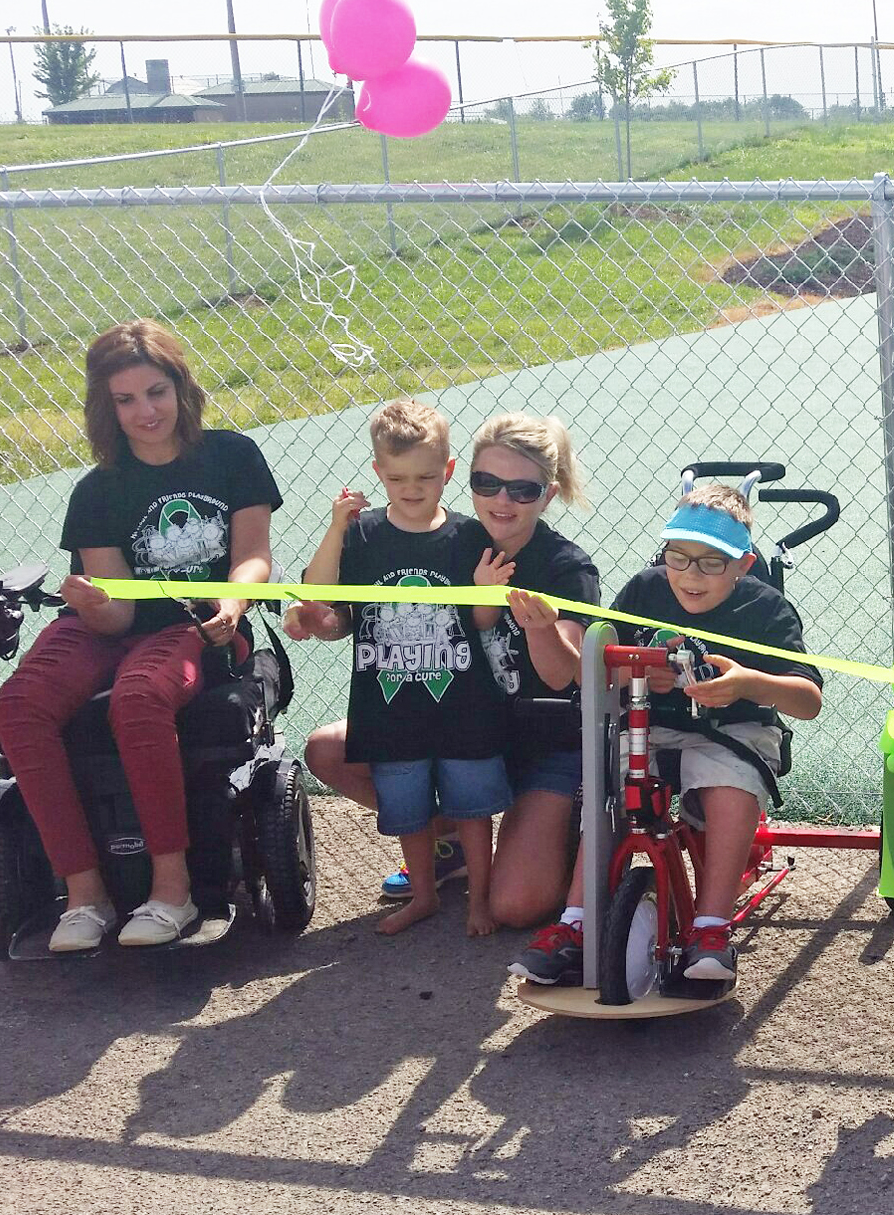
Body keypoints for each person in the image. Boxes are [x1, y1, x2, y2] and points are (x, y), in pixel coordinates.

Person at [0, 320, 280, 952]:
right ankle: (85, 894)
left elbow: (255, 556)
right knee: (18, 706)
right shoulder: (97, 491)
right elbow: (117, 619)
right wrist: (92, 603)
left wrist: (231, 605)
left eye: (156, 392)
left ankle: (172, 892)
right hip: (106, 628)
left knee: (139, 697)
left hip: (194, 621)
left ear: (181, 387)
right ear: (107, 407)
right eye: (125, 400)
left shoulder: (232, 457)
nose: (145, 412)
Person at [290, 413, 597, 928]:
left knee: (514, 906)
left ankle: (558, 828)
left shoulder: (564, 566)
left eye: (523, 490)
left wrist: (540, 628)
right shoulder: (454, 538)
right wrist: (323, 619)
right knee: (326, 748)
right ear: (465, 479)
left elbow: (563, 675)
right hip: (458, 729)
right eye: (488, 483)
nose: (503, 501)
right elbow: (354, 613)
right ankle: (447, 840)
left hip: (541, 744)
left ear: (547, 495)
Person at [508, 483, 822, 986]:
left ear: (743, 564)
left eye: (710, 563)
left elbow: (808, 699)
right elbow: (591, 672)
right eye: (678, 557)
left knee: (726, 782)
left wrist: (748, 683)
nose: (690, 575)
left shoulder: (766, 609)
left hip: (732, 730)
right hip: (648, 726)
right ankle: (576, 922)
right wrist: (559, 639)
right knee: (605, 788)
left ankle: (712, 928)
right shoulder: (645, 590)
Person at [286, 399, 508, 937]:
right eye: (399, 477)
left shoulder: (467, 536)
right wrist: (338, 526)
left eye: (427, 477)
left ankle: (481, 898)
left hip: (461, 705)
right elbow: (316, 597)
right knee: (407, 809)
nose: (413, 488)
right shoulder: (361, 535)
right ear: (378, 473)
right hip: (386, 708)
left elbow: (479, 624)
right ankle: (426, 895)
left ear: (449, 472)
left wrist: (487, 594)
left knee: (472, 810)